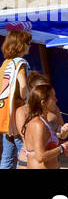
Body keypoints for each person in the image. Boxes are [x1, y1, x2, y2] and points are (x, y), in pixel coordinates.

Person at [0, 27, 32, 169]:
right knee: (24, 150)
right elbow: (23, 85)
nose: (30, 46)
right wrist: (25, 100)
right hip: (17, 112)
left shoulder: (5, 64)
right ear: (20, 45)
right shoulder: (20, 63)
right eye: (27, 43)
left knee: (7, 155)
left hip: (6, 113)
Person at [20, 84, 68, 169]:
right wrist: (62, 148)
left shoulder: (44, 121)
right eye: (53, 97)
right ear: (43, 102)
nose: (56, 100)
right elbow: (40, 156)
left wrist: (62, 142)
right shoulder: (38, 124)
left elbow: (47, 146)